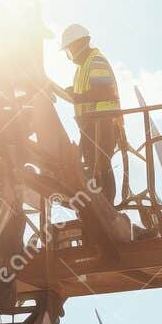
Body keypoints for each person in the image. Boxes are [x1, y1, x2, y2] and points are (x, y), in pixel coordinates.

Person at [54, 23, 120, 200]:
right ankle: (100, 204)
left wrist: (75, 96)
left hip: (103, 124)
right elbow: (85, 93)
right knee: (92, 166)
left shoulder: (95, 60)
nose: (70, 56)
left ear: (79, 45)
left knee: (101, 166)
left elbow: (104, 92)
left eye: (69, 50)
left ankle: (107, 205)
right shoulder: (82, 68)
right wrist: (72, 93)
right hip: (90, 126)